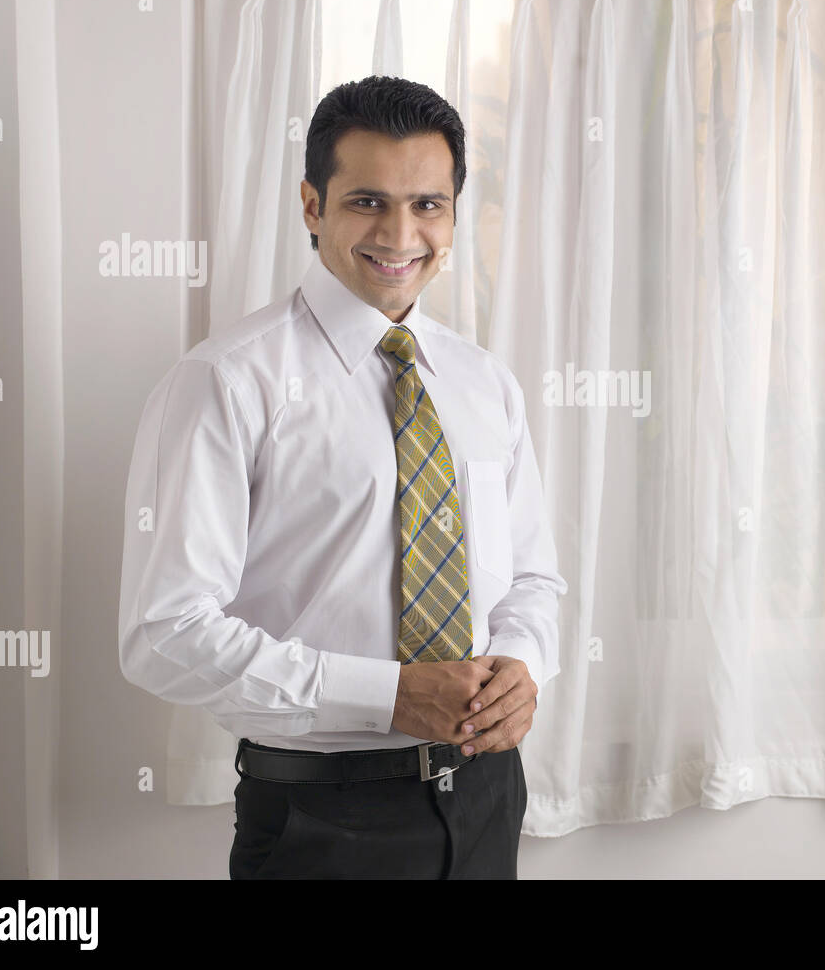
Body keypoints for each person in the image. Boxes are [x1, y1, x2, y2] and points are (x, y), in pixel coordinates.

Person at [117, 75, 567, 879]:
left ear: (454, 214)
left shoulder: (483, 383)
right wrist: (389, 695)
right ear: (312, 205)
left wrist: (524, 663)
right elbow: (165, 632)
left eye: (428, 204)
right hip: (323, 820)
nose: (400, 232)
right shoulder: (226, 382)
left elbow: (530, 576)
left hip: (490, 799)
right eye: (367, 201)